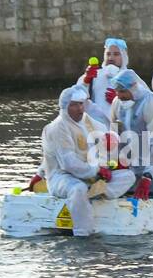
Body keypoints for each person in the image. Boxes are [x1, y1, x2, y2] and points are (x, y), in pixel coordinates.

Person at [40, 87, 137, 236]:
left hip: (89, 176)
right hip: (62, 178)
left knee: (128, 176)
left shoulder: (85, 120)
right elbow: (69, 164)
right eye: (74, 105)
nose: (80, 109)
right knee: (78, 189)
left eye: (82, 104)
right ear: (65, 106)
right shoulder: (57, 128)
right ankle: (82, 234)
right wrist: (97, 170)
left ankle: (96, 192)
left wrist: (111, 155)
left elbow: (104, 135)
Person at [109, 70, 153, 200]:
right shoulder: (117, 103)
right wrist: (114, 163)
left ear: (133, 87)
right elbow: (114, 136)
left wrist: (148, 176)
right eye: (117, 91)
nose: (119, 95)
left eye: (122, 91)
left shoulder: (152, 103)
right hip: (131, 167)